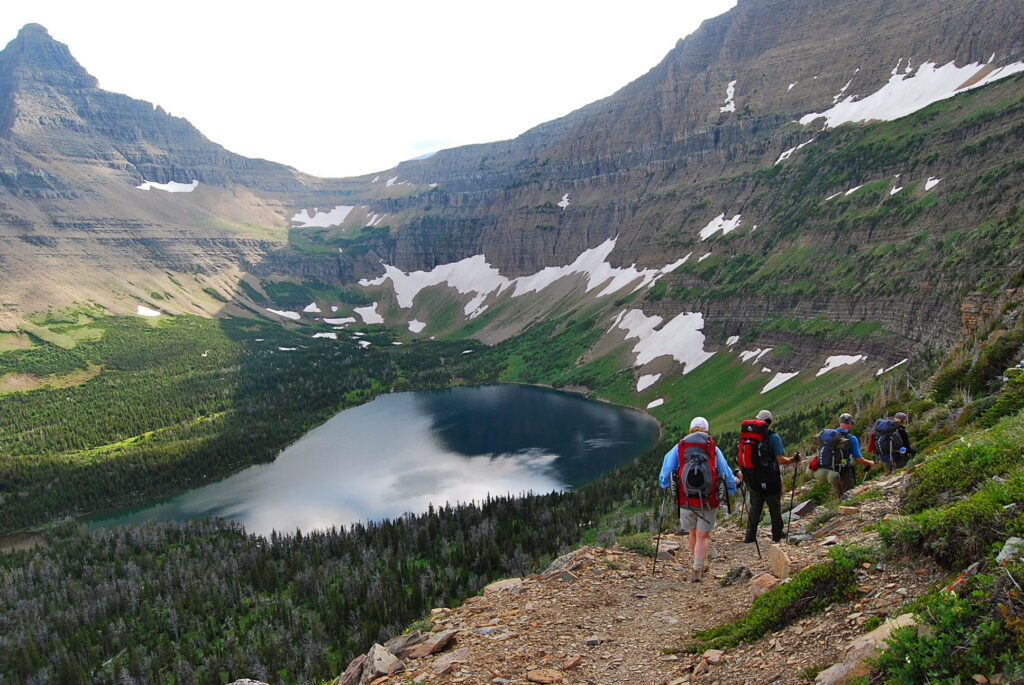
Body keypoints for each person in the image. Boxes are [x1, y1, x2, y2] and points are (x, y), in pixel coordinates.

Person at [659, 416, 739, 583]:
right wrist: (733, 486)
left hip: (686, 498)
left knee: (692, 532)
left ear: (690, 429)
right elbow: (724, 471)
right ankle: (698, 568)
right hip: (709, 498)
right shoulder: (712, 448)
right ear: (707, 430)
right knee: (703, 535)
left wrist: (665, 484)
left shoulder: (680, 447)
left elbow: (666, 471)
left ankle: (697, 565)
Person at [742, 410, 800, 544]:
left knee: (755, 506)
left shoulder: (750, 437)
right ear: (770, 421)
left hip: (753, 478)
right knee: (774, 506)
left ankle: (750, 536)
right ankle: (777, 535)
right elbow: (780, 459)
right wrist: (793, 459)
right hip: (770, 478)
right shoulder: (774, 437)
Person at [812, 412, 875, 496]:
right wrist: (869, 462)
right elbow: (858, 459)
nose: (851, 425)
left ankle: (840, 506)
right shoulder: (851, 438)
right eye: (851, 423)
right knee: (848, 494)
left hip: (832, 471)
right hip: (844, 470)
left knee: (840, 493)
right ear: (849, 423)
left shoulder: (831, 435)